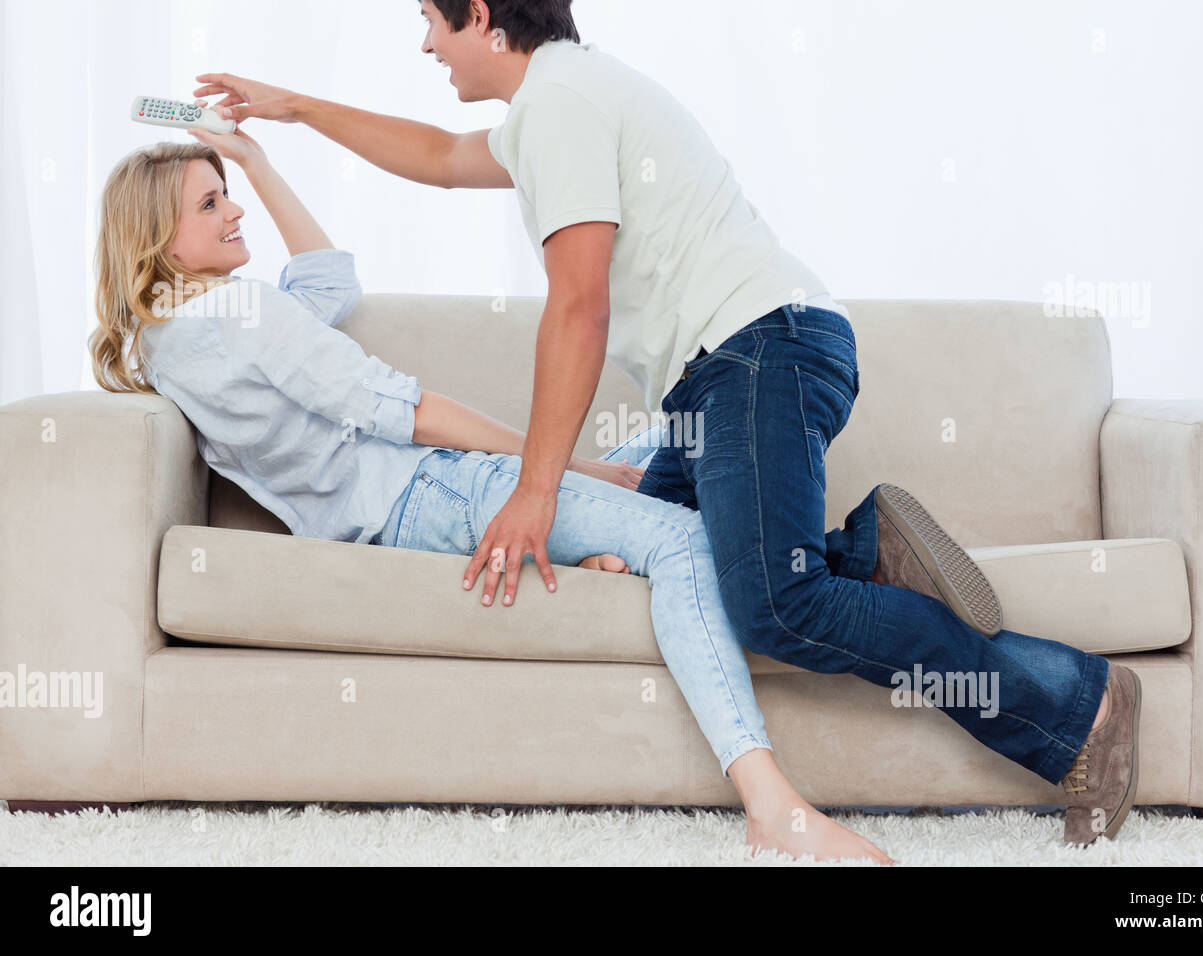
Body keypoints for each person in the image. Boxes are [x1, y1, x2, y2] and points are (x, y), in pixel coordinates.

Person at [188, 0, 1140, 846]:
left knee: (778, 604)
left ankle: (1078, 707)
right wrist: (296, 108)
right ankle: (865, 550)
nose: (425, 44)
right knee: (694, 568)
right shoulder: (553, 105)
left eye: (431, 22)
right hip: (731, 369)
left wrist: (535, 489)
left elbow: (580, 307)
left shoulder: (559, 106)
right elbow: (438, 159)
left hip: (758, 350)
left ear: (480, 15)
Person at [88, 135, 902, 864]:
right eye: (211, 201)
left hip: (396, 512)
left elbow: (328, 283)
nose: (233, 210)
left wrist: (257, 162)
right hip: (437, 487)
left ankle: (816, 557)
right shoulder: (246, 316)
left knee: (677, 438)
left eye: (228, 189)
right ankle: (773, 800)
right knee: (689, 528)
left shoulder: (171, 340)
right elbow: (399, 408)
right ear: (159, 237)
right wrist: (564, 469)